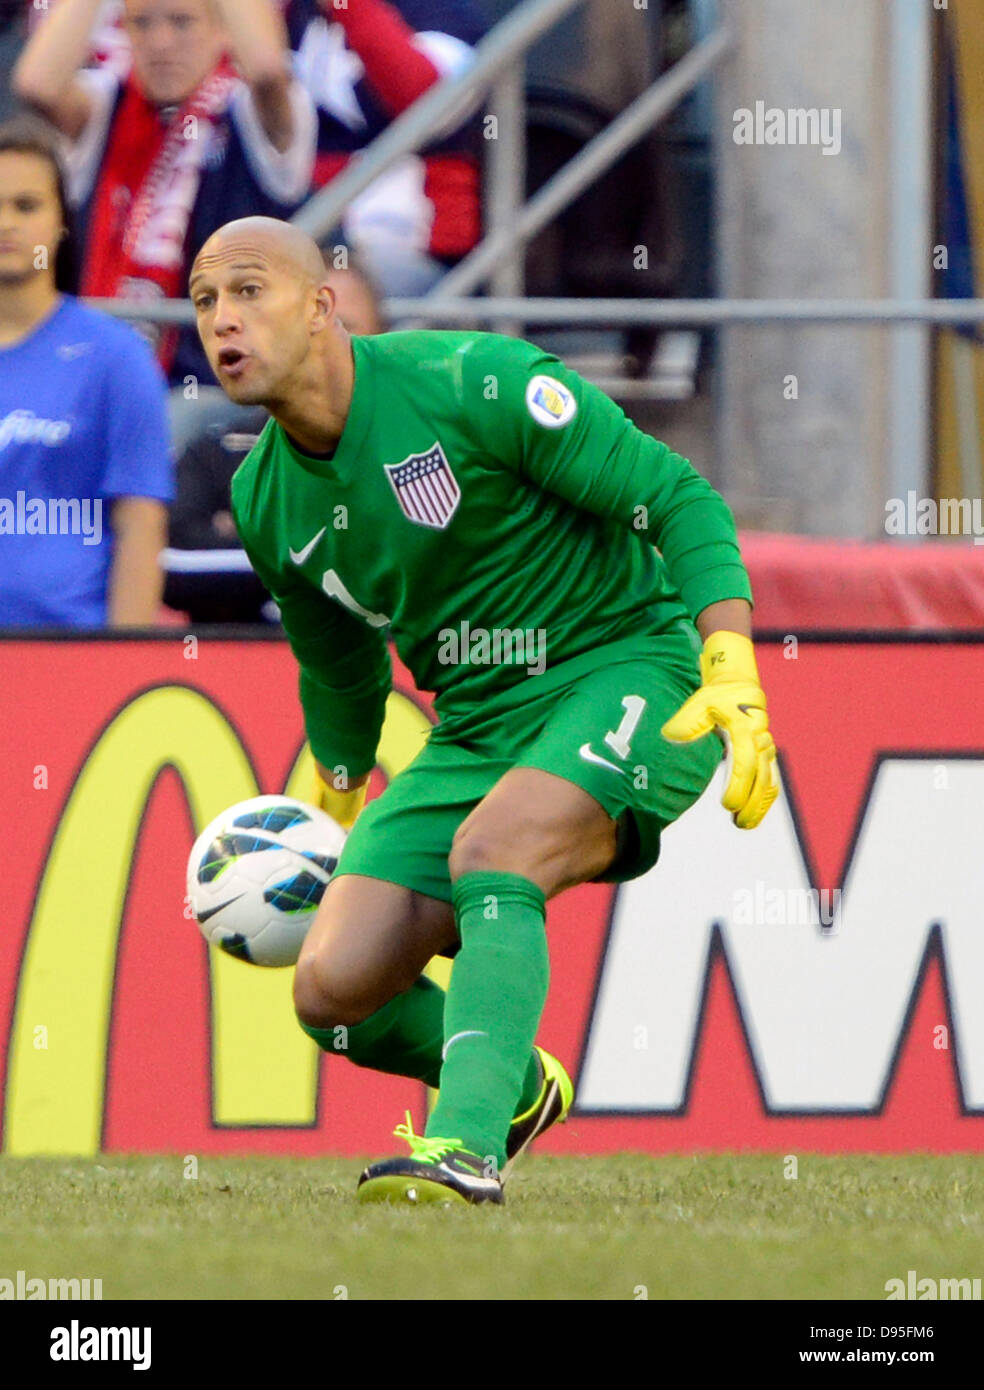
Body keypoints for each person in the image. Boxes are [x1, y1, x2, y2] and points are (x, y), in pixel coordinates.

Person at [188, 216, 779, 1205]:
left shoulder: (473, 383)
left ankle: (463, 1148)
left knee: (493, 854)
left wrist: (730, 660)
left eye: (249, 291)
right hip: (474, 724)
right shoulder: (263, 496)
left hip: (628, 666)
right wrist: (338, 789)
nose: (222, 321)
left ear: (323, 305)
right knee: (332, 991)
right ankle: (510, 1091)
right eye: (204, 301)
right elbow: (338, 661)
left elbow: (675, 495)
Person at [11, 0, 316, 389]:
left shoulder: (249, 111)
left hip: (220, 384)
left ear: (223, 30)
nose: (160, 42)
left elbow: (269, 71)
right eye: (141, 24)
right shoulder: (108, 104)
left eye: (182, 22)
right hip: (99, 372)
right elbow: (37, 84)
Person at [0, 115, 173, 629]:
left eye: (26, 205)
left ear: (62, 221)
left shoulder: (115, 357)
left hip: (72, 659)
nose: (7, 223)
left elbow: (141, 522)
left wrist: (121, 671)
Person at [164, 259, 384, 623]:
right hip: (238, 675)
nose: (325, 344)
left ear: (382, 341)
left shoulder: (419, 447)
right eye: (306, 327)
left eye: (345, 326)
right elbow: (177, 565)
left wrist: (255, 535)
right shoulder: (217, 453)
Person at [286, 0, 486, 297]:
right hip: (297, 237)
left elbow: (427, 103)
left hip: (409, 251)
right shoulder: (285, 14)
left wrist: (347, 6)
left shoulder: (448, 11)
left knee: (328, 294)